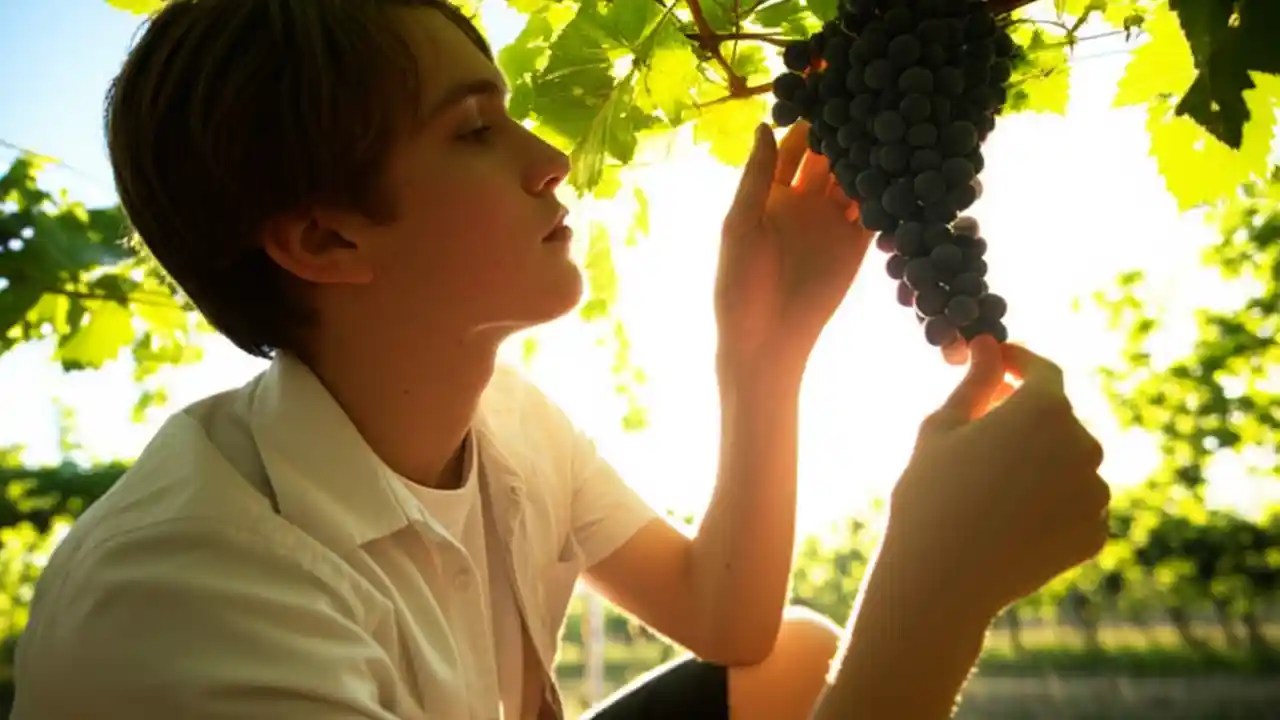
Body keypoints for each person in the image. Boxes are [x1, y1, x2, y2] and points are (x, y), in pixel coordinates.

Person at [11, 1, 1112, 718]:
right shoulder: (189, 597)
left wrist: (764, 349)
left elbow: (724, 618)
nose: (546, 161)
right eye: (475, 129)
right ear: (325, 239)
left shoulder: (502, 421)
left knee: (787, 661)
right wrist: (932, 605)